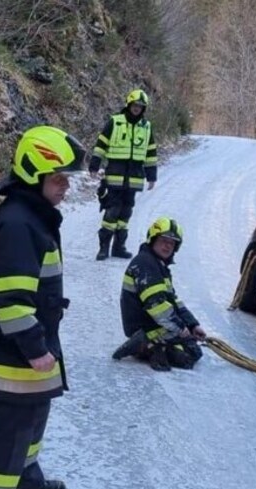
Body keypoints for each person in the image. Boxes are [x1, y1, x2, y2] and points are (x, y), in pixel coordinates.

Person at [0, 125, 85, 489]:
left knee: (33, 417)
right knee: (7, 431)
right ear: (35, 175)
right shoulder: (18, 224)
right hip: (11, 354)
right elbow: (12, 301)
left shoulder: (31, 216)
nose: (66, 186)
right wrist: (35, 347)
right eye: (59, 179)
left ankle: (23, 478)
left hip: (25, 350)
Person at [111, 217, 206, 370]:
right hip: (145, 326)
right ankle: (145, 345)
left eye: (172, 243)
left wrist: (192, 324)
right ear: (153, 239)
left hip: (155, 324)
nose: (168, 246)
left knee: (193, 350)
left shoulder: (158, 265)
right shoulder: (146, 264)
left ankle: (152, 346)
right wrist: (181, 329)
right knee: (188, 356)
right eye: (164, 240)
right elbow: (156, 305)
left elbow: (173, 300)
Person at [89, 88, 158, 260]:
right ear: (129, 104)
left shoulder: (146, 127)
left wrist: (152, 176)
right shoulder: (115, 121)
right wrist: (94, 165)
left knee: (126, 213)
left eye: (141, 106)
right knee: (112, 211)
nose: (137, 108)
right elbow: (101, 144)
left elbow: (150, 152)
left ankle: (119, 247)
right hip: (115, 173)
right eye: (135, 105)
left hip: (134, 175)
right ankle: (103, 248)